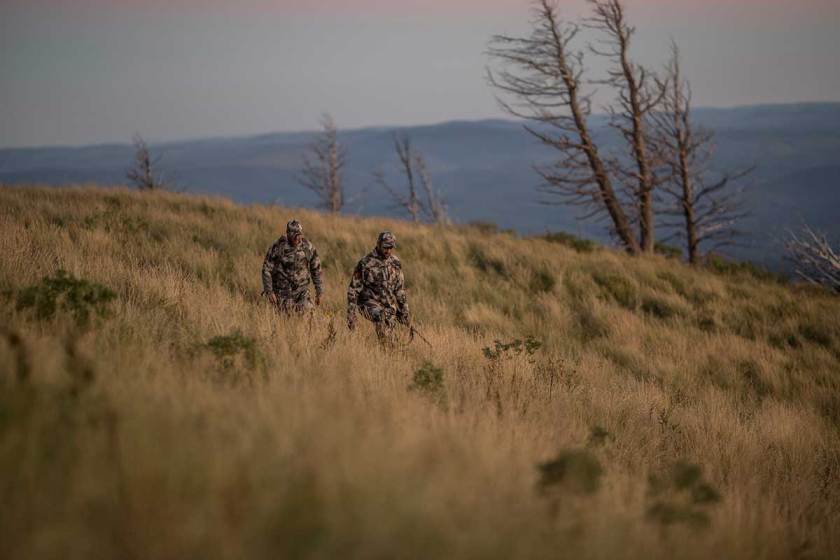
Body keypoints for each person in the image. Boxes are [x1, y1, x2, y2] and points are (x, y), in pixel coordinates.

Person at [347, 231, 411, 343]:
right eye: (385, 247)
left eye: (391, 247)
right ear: (378, 244)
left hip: (388, 308)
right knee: (382, 317)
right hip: (368, 304)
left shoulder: (395, 263)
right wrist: (351, 314)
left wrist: (404, 312)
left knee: (390, 340)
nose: (388, 251)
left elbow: (400, 290)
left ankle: (387, 350)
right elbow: (353, 290)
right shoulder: (365, 263)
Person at [262, 219, 323, 314]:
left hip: (302, 292)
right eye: (295, 236)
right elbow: (266, 269)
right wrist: (269, 291)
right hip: (283, 293)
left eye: (300, 235)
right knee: (289, 317)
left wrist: (319, 292)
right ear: (289, 235)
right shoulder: (278, 247)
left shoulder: (308, 247)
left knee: (310, 315)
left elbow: (316, 269)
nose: (298, 238)